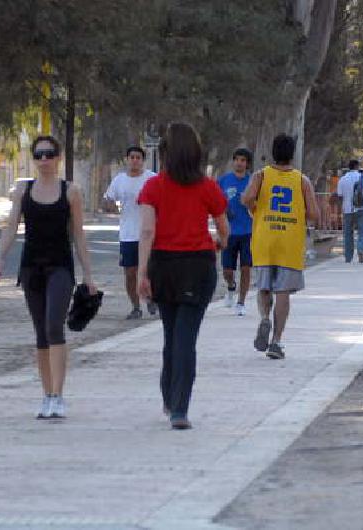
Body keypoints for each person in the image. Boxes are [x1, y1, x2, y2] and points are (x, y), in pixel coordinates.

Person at [0, 135, 97, 419]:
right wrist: (0, 257)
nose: (44, 160)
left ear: (58, 157)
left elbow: (78, 234)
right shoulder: (22, 190)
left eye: (49, 154)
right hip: (30, 268)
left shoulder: (70, 191)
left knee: (54, 326)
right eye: (39, 155)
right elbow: (11, 226)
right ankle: (47, 395)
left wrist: (88, 273)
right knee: (40, 331)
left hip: (60, 267)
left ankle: (59, 396)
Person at [136, 123, 229, 430]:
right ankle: (179, 409)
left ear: (166, 153)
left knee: (170, 335)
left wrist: (142, 273)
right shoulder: (207, 187)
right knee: (186, 339)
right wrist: (215, 244)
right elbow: (224, 231)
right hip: (198, 266)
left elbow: (147, 232)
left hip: (164, 266)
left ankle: (169, 398)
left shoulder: (153, 187)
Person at [241, 134, 319, 359]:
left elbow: (246, 198)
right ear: (292, 154)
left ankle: (264, 318)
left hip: (265, 239)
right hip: (290, 243)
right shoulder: (302, 180)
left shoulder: (261, 175)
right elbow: (313, 214)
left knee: (264, 287)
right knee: (283, 292)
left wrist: (256, 208)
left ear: (272, 152)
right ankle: (277, 341)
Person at [103, 146, 156, 319]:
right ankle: (135, 307)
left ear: (143, 160)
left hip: (150, 233)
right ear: (127, 159)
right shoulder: (120, 180)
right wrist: (109, 204)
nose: (134, 160)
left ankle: (152, 298)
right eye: (131, 157)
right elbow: (108, 199)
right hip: (128, 234)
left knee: (151, 270)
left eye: (138, 157)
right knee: (130, 273)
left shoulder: (152, 179)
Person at [218, 148, 254, 316]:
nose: (240, 163)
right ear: (233, 161)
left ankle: (241, 302)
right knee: (227, 271)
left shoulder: (252, 181)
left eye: (243, 160)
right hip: (229, 232)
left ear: (247, 164)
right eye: (237, 159)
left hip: (248, 231)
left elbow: (258, 203)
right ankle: (231, 286)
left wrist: (250, 205)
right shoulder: (224, 180)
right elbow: (216, 202)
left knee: (246, 268)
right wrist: (224, 210)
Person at [335, 160, 363, 263]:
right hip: (362, 209)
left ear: (349, 167)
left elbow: (340, 197)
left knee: (348, 234)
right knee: (362, 232)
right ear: (357, 166)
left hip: (347, 210)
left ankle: (348, 256)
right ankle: (361, 249)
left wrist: (339, 211)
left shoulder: (342, 179)